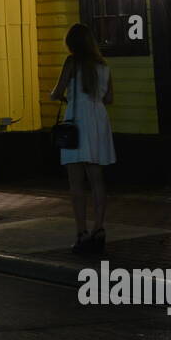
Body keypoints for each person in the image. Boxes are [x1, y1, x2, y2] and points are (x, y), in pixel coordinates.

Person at [50, 23, 115, 253]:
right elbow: (109, 99)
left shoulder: (71, 62)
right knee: (97, 180)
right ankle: (99, 228)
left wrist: (63, 95)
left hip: (76, 122)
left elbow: (56, 93)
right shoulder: (103, 65)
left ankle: (81, 232)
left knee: (76, 182)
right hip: (98, 121)